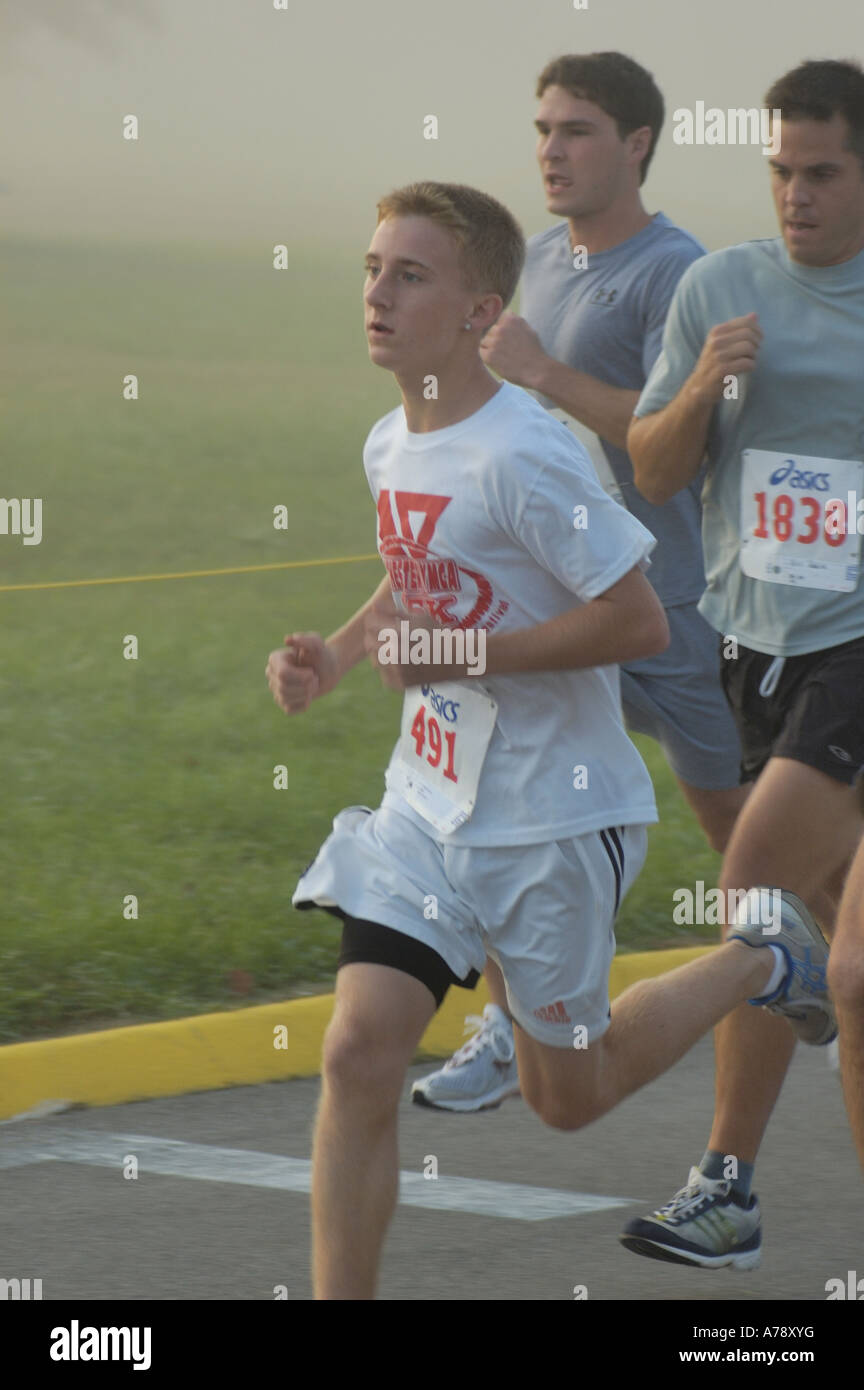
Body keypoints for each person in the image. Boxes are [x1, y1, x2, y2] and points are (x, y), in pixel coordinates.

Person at [266, 180, 834, 1300]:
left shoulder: (530, 454)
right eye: (373, 268)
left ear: (482, 312)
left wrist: (461, 658)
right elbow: (417, 575)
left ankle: (765, 955)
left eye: (410, 275)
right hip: (426, 808)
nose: (377, 293)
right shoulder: (393, 441)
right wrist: (336, 656)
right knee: (357, 1051)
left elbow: (638, 618)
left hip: (551, 817)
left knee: (568, 1097)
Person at [412, 51, 748, 1115]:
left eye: (579, 131)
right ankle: (512, 1031)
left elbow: (671, 454)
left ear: (638, 143)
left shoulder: (676, 272)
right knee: (496, 806)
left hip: (673, 609)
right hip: (564, 612)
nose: (552, 151)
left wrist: (544, 372)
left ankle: (813, 967)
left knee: (756, 848)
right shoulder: (541, 261)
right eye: (545, 129)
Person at [624, 58, 864, 1268]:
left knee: (757, 880)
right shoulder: (720, 290)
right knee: (845, 958)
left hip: (858, 652)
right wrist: (709, 387)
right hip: (750, 650)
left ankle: (725, 1185)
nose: (797, 195)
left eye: (822, 172)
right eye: (781, 171)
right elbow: (657, 472)